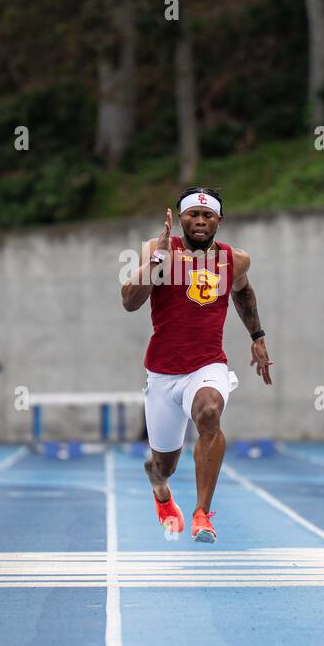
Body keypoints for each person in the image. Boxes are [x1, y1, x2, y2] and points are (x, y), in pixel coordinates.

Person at [121, 186, 273, 543]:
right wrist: (156, 261)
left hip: (207, 365)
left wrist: (257, 335)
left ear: (219, 220)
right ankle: (159, 485)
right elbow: (129, 302)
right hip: (162, 372)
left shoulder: (233, 259)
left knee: (209, 413)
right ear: (180, 218)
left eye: (208, 215)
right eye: (193, 214)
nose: (200, 221)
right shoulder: (159, 251)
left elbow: (243, 292)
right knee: (164, 466)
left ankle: (202, 514)